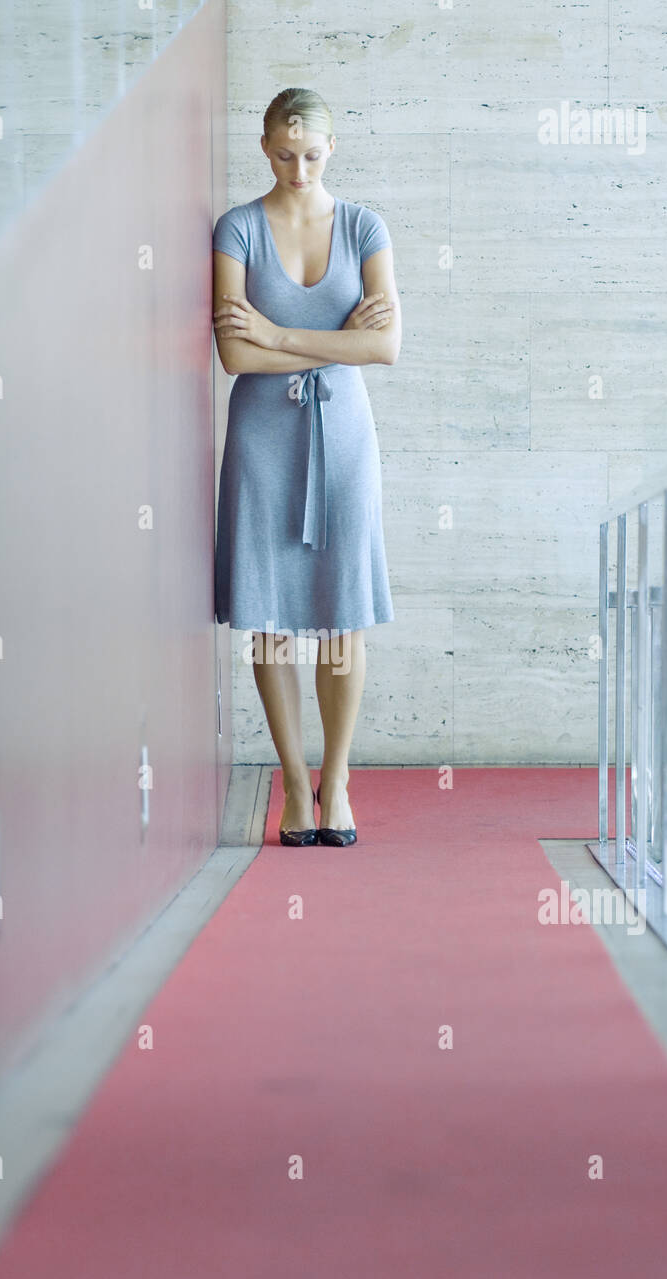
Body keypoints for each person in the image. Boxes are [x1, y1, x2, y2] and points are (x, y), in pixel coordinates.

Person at [212, 87, 401, 847]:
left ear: (333, 148)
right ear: (263, 145)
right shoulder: (236, 229)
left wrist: (279, 336)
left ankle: (340, 779)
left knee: (342, 614)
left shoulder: (363, 226)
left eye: (312, 155)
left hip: (346, 439)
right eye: (284, 154)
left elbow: (384, 349)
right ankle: (293, 783)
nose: (298, 168)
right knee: (269, 620)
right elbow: (232, 355)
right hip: (262, 440)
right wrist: (330, 338)